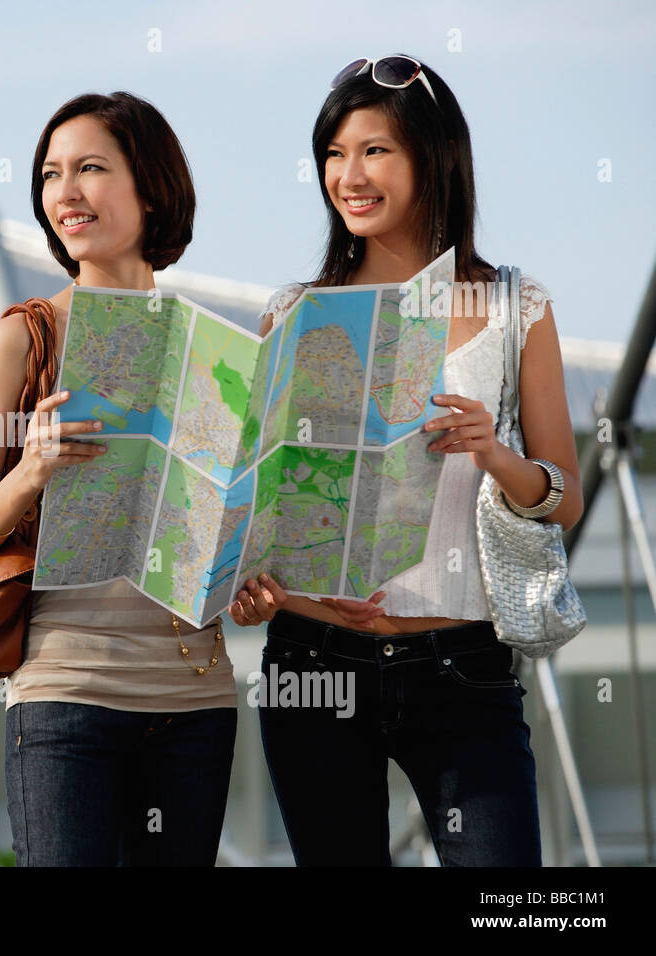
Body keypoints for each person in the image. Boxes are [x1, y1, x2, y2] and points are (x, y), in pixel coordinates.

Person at [242, 55, 583, 866]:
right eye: (333, 153)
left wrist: (494, 453)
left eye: (373, 151)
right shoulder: (294, 313)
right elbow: (253, 500)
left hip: (460, 666)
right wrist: (252, 585)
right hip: (312, 662)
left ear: (434, 158)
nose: (347, 175)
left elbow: (561, 496)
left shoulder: (513, 304)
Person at [0, 91, 285, 866]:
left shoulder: (218, 358)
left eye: (91, 168)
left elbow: (229, 525)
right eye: (52, 174)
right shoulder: (24, 338)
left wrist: (249, 584)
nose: (65, 192)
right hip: (65, 699)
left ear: (151, 189)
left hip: (195, 700)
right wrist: (31, 471)